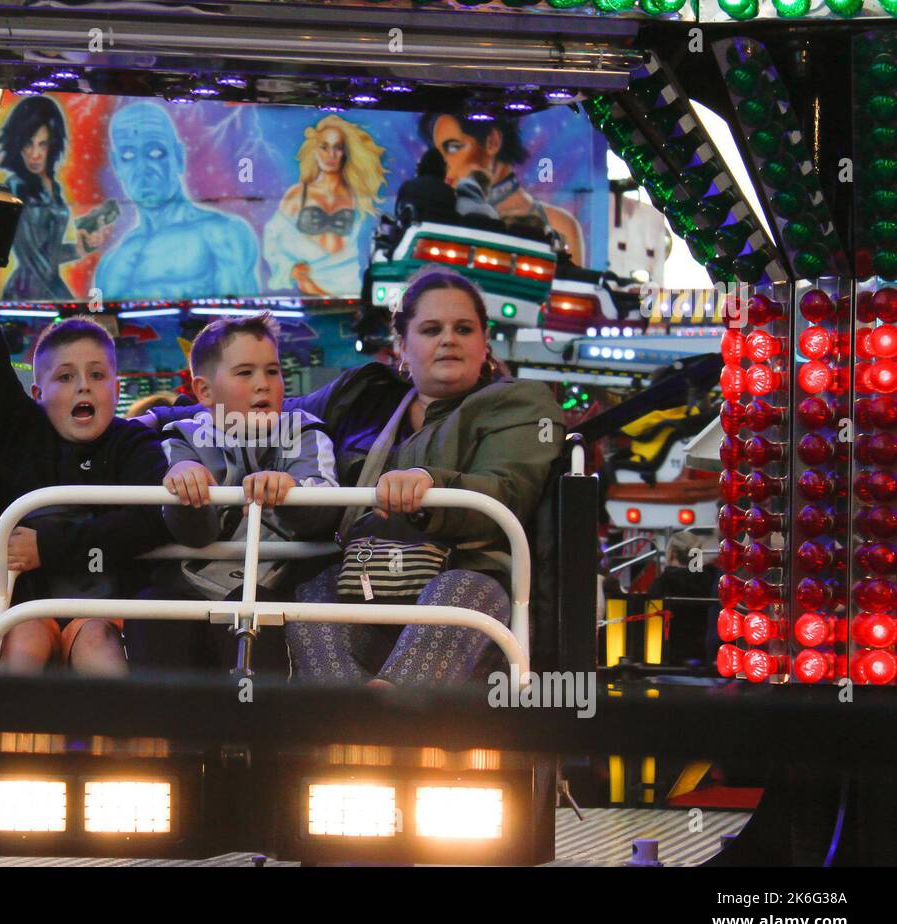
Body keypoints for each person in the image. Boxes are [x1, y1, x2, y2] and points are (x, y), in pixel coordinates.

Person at [143, 266, 565, 687]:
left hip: (462, 570)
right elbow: (257, 407)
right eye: (432, 328)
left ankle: (383, 712)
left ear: (484, 340)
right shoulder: (361, 395)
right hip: (357, 574)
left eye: (464, 329)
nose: (448, 339)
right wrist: (142, 423)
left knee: (458, 598)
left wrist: (429, 485)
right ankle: (349, 723)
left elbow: (508, 491)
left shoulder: (518, 402)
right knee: (309, 602)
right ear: (401, 344)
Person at [0, 226, 172, 675]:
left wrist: (48, 546)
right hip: (28, 609)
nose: (83, 385)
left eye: (97, 375)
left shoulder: (134, 442)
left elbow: (152, 518)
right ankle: (7, 744)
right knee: (22, 643)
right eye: (65, 377)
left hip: (103, 612)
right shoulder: (22, 433)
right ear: (37, 392)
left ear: (117, 388)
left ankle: (124, 745)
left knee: (97, 642)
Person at [123, 313, 339, 672]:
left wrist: (292, 493)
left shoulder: (305, 431)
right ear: (204, 391)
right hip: (187, 586)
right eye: (245, 372)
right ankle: (160, 724)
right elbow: (193, 532)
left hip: (279, 585)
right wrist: (185, 486)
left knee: (256, 613)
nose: (263, 384)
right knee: (153, 610)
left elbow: (324, 509)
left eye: (273, 371)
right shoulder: (181, 439)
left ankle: (258, 724)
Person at [94, 101, 259, 299]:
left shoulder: (222, 234)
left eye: (155, 152)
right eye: (128, 155)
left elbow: (240, 322)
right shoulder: (109, 265)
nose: (142, 168)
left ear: (178, 157)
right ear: (116, 165)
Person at [418, 111, 586, 266]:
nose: (443, 162)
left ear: (493, 141)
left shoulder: (558, 224)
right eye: (438, 152)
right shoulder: (439, 220)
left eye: (453, 147)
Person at [0, 95, 113, 300]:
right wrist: (63, 302)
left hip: (48, 288)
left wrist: (81, 248)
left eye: (42, 144)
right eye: (28, 144)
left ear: (52, 145)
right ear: (18, 144)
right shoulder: (15, 187)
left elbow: (50, 254)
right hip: (28, 292)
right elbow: (33, 258)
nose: (35, 154)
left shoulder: (52, 186)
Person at [263, 114, 387, 297]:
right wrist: (290, 268)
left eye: (338, 148)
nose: (331, 155)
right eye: (324, 147)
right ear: (314, 150)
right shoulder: (299, 193)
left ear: (345, 152)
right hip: (309, 287)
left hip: (349, 286)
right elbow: (272, 237)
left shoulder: (358, 196)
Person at [646, 530, 716, 665]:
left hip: (669, 660)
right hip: (708, 659)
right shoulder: (712, 581)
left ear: (671, 554)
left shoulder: (663, 584)